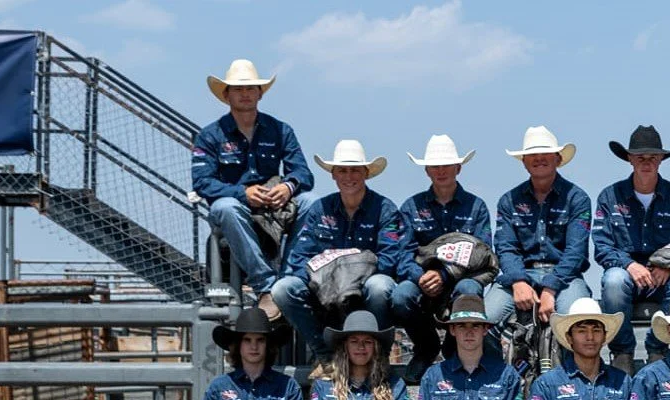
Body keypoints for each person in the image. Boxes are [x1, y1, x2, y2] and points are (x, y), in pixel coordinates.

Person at [271, 139, 412, 360]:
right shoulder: (320, 209)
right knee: (283, 288)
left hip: (365, 287)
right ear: (333, 175)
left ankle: (377, 356)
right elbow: (300, 257)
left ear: (366, 173)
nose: (349, 177)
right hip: (324, 286)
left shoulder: (384, 209)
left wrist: (351, 280)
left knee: (380, 286)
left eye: (355, 170)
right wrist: (322, 281)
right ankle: (326, 354)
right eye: (342, 170)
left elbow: (390, 257)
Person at [193, 59, 313, 311]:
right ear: (226, 95)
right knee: (226, 207)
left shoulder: (280, 130)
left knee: (309, 203)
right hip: (234, 210)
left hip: (274, 207)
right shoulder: (210, 135)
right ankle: (266, 286)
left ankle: (289, 279)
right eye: (238, 89)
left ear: (260, 93)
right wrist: (242, 194)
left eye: (250, 88)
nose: (245, 93)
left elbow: (304, 174)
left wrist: (288, 187)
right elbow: (202, 183)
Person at [594, 125, 670, 370]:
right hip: (627, 274)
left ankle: (657, 348)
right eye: (640, 157)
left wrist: (669, 263)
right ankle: (622, 353)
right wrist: (629, 265)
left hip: (666, 277)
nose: (646, 163)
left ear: (661, 160)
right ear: (629, 159)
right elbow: (601, 244)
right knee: (613, 281)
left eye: (653, 157)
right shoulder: (609, 197)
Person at [397, 134, 491, 368]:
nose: (441, 171)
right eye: (435, 166)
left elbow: (483, 254)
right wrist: (421, 278)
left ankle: (455, 351)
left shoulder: (476, 206)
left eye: (446, 165)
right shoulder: (411, 207)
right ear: (426, 170)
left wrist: (445, 276)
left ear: (458, 168)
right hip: (422, 280)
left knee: (469, 289)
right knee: (401, 296)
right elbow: (402, 254)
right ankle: (425, 347)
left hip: (462, 279)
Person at [488, 126, 592, 329]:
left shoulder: (577, 199)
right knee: (484, 322)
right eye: (532, 155)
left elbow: (575, 251)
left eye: (545, 154)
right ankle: (499, 362)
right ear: (524, 162)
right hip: (521, 273)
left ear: (558, 159)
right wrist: (518, 282)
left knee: (575, 323)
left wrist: (550, 288)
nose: (539, 159)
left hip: (565, 277)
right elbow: (505, 247)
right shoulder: (509, 201)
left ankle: (567, 362)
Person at [521, 298, 631, 400]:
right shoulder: (547, 384)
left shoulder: (622, 382)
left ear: (605, 336)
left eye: (596, 330)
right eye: (581, 330)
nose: (590, 337)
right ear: (569, 337)